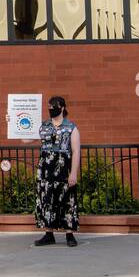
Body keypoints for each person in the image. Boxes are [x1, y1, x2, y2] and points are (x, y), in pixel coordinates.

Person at [34, 95, 80, 247]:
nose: (51, 109)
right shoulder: (44, 126)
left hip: (63, 168)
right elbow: (25, 139)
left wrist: (73, 173)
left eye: (54, 107)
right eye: (49, 107)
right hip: (45, 169)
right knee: (46, 199)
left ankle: (69, 234)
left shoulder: (71, 127)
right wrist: (11, 122)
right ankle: (49, 234)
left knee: (67, 199)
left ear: (62, 107)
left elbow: (76, 151)